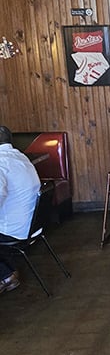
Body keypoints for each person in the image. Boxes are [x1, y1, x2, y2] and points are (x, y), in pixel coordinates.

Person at [0, 125, 41, 294]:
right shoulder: (20, 157)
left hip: (16, 229)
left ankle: (6, 275)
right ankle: (9, 273)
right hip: (34, 223)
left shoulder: (1, 162)